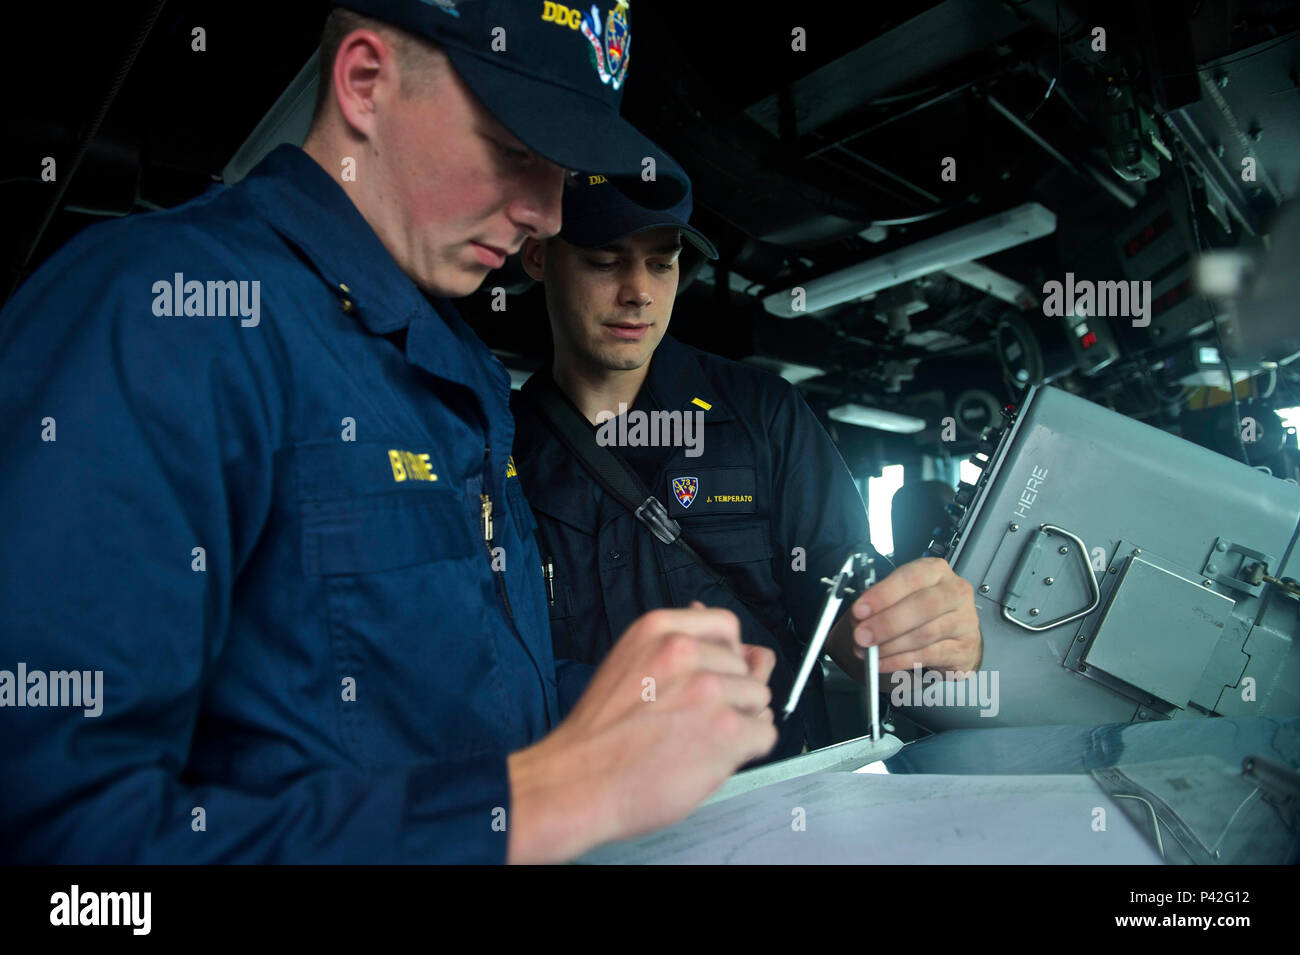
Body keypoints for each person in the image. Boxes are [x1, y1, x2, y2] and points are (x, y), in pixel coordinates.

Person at [0, 1, 780, 865]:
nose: (549, 215)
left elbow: (459, 704)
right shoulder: (165, 313)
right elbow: (60, 840)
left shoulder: (459, 369)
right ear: (365, 83)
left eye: (560, 168)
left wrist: (638, 709)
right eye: (517, 151)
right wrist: (545, 797)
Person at [511, 174, 984, 759]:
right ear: (538, 255)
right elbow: (490, 658)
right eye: (605, 262)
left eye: (662, 264)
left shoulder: (764, 414)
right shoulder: (498, 447)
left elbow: (837, 591)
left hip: (770, 794)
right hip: (596, 813)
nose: (638, 292)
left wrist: (913, 639)